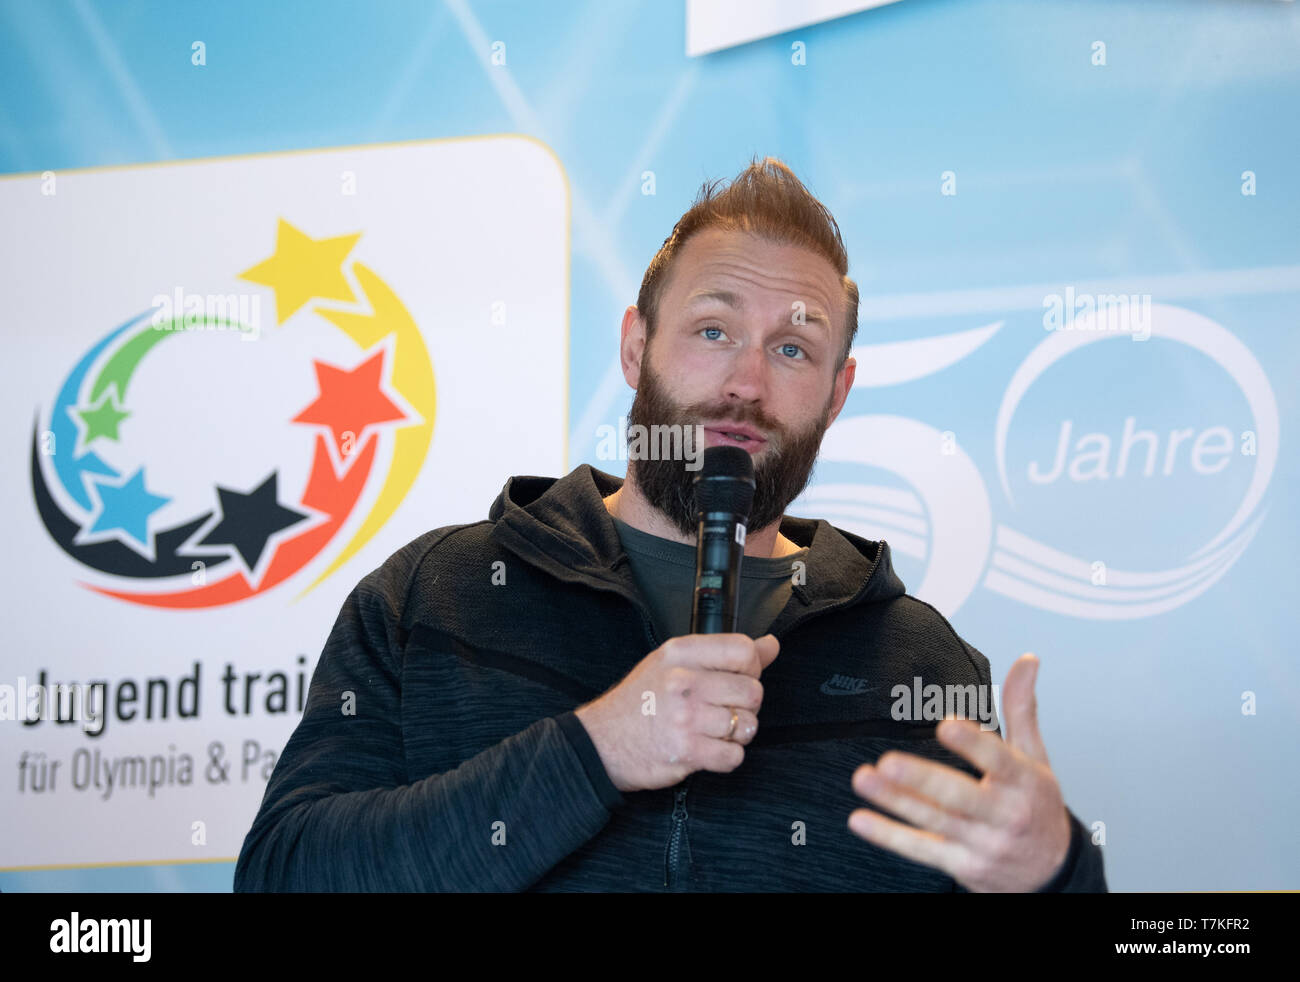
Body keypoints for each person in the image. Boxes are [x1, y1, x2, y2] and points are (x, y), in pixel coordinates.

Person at [234, 156, 1106, 892]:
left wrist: (1056, 871)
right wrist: (594, 750)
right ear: (634, 346)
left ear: (837, 395)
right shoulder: (434, 598)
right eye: (714, 328)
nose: (746, 384)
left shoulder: (920, 664)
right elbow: (284, 874)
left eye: (793, 348)